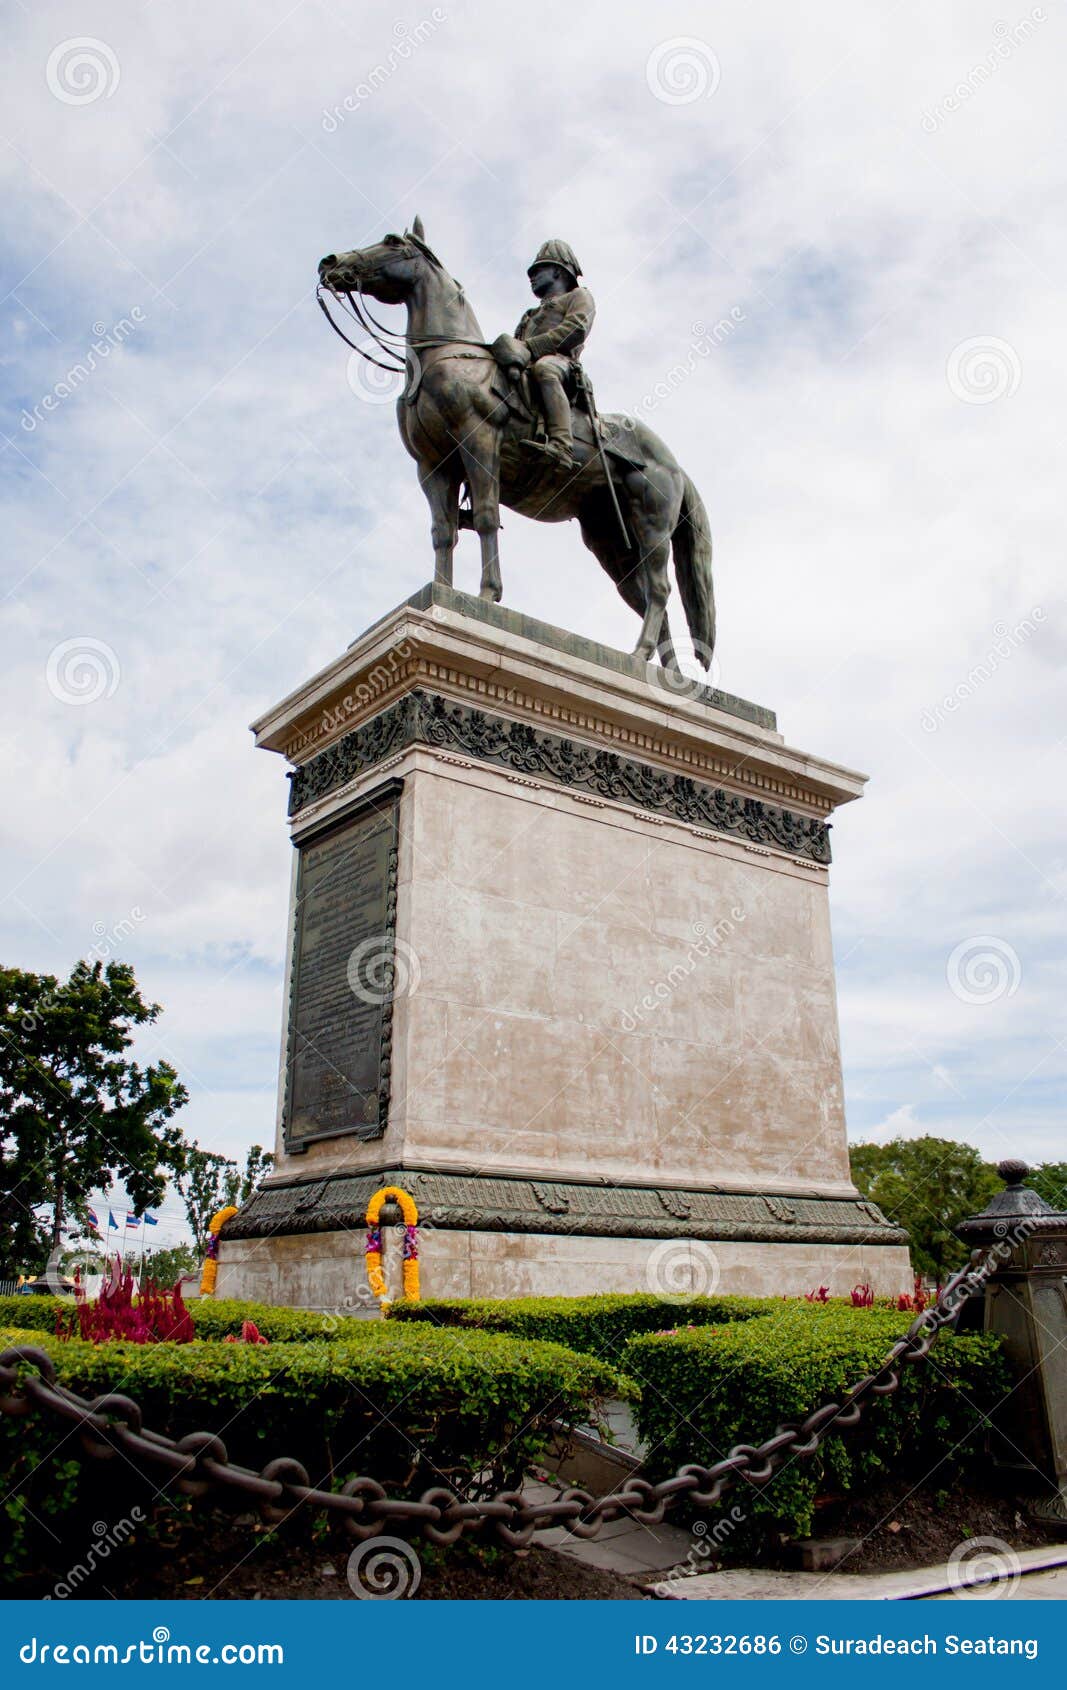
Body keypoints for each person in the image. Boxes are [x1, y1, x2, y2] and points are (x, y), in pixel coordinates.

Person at [493, 241, 595, 468]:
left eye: (539, 270)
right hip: (527, 368)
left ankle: (562, 445)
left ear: (558, 271)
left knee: (545, 368)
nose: (532, 276)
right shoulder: (529, 315)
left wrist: (530, 348)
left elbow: (576, 329)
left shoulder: (578, 296)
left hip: (562, 366)